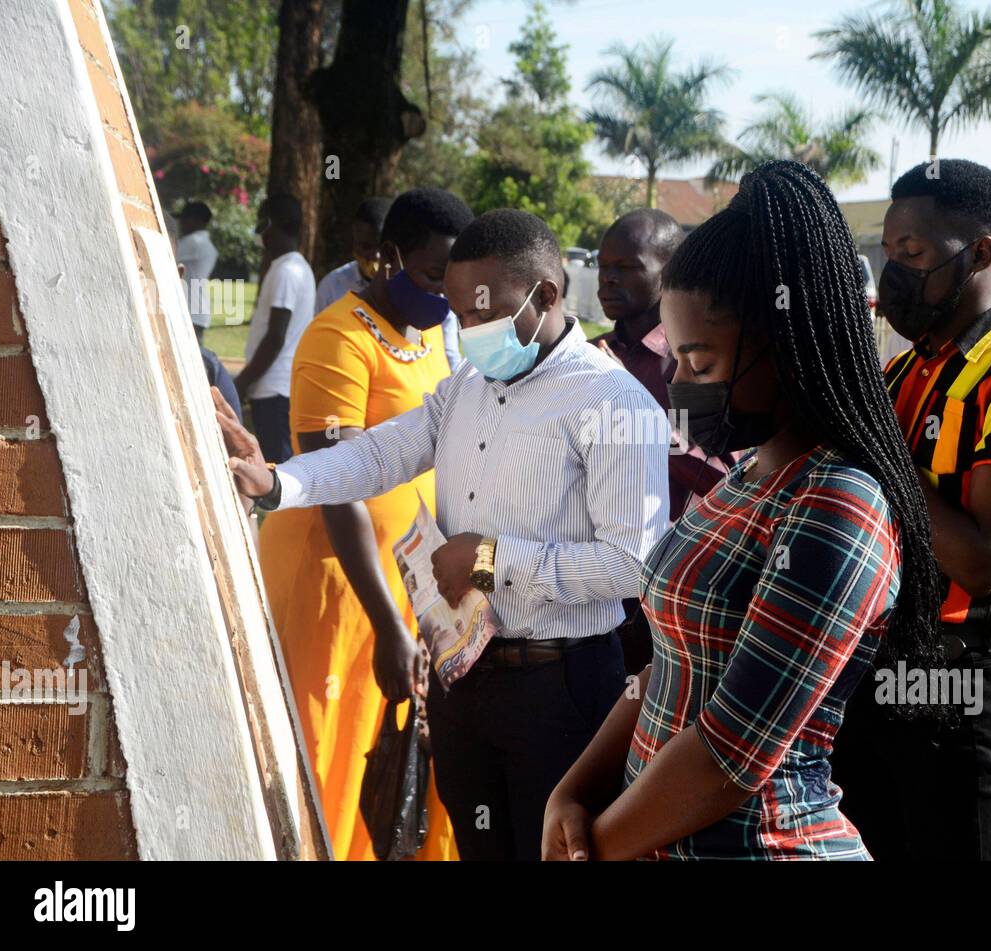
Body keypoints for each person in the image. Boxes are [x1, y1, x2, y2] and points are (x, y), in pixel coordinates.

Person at [214, 208, 670, 861]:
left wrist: (493, 558)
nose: (469, 330)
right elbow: (379, 455)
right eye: (458, 312)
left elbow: (635, 562)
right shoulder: (467, 385)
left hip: (559, 686)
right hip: (465, 678)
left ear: (546, 294)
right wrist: (281, 482)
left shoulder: (613, 403)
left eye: (486, 312)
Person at [541, 160, 945, 861]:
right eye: (676, 357)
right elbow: (665, 664)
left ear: (788, 348)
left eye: (699, 363)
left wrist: (596, 849)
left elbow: (730, 754)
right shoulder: (748, 474)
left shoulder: (837, 503)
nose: (674, 383)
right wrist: (571, 791)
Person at [832, 158, 991, 862]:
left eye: (911, 254)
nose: (893, 272)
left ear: (979, 254)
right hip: (872, 666)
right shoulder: (903, 370)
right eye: (887, 252)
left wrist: (877, 448)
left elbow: (982, 561)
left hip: (958, 678)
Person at [258, 188, 473, 861]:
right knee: (320, 749)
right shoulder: (338, 337)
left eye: (455, 280)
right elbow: (335, 481)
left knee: (377, 764)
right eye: (434, 274)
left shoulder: (435, 337)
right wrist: (386, 622)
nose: (445, 293)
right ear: (389, 256)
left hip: (402, 586)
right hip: (334, 582)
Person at [589, 208, 738, 672]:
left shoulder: (693, 359)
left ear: (667, 271)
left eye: (626, 267)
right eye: (603, 267)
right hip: (589, 586)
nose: (607, 280)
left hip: (670, 592)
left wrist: (638, 412)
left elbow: (724, 476)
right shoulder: (589, 357)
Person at [317, 197, 463, 372]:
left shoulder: (430, 319)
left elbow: (450, 360)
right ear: (391, 255)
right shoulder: (336, 324)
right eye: (433, 275)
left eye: (447, 280)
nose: (374, 256)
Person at [236, 193, 317, 464]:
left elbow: (275, 337)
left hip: (274, 389)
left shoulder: (287, 271)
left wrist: (242, 382)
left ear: (270, 225)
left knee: (278, 468)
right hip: (277, 387)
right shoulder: (296, 268)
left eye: (261, 222)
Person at [175, 200, 218, 344]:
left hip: (190, 311)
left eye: (184, 218)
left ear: (196, 221)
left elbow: (165, 255)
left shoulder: (193, 242)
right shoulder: (205, 244)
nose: (180, 223)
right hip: (197, 310)